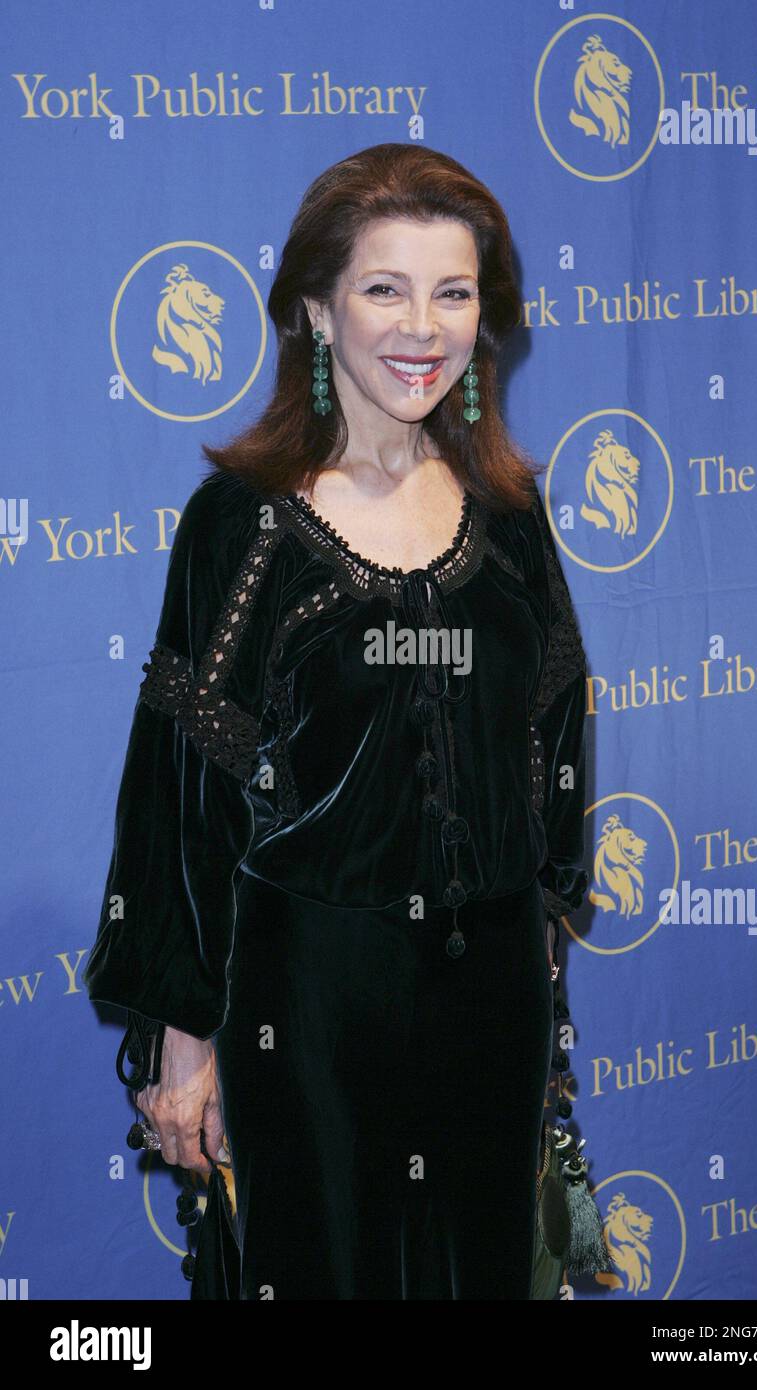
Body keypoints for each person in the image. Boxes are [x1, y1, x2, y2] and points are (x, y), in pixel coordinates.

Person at [83, 142, 590, 1300]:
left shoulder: (510, 517)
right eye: (384, 288)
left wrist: (542, 943)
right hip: (309, 998)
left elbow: (551, 729)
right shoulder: (242, 526)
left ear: (485, 319)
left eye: (453, 293)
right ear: (315, 310)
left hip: (491, 994)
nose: (422, 327)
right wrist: (184, 1034)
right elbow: (180, 782)